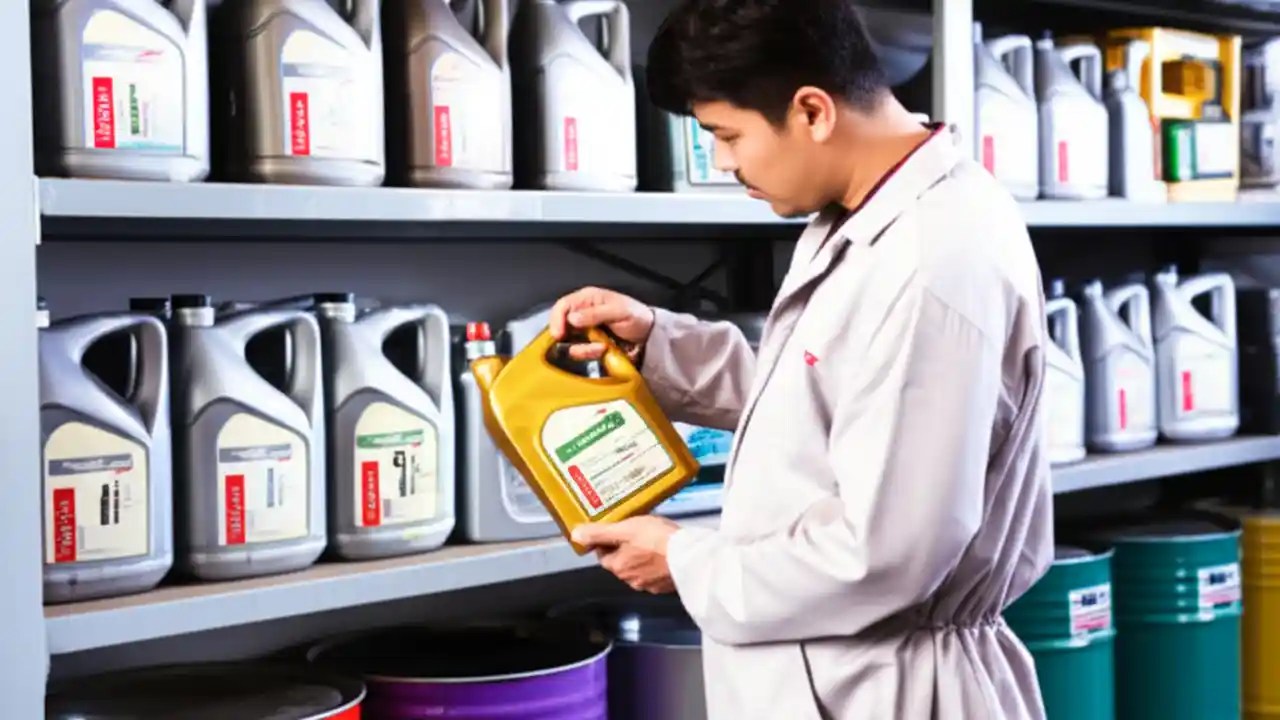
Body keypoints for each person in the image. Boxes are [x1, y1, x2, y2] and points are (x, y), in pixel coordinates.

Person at [549, 0, 1054, 717]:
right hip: (843, 672)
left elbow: (887, 554)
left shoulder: (932, 262)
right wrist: (659, 344)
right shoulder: (865, 212)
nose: (722, 162)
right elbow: (833, 402)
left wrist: (685, 561)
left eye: (726, 135)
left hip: (891, 690)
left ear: (812, 111)